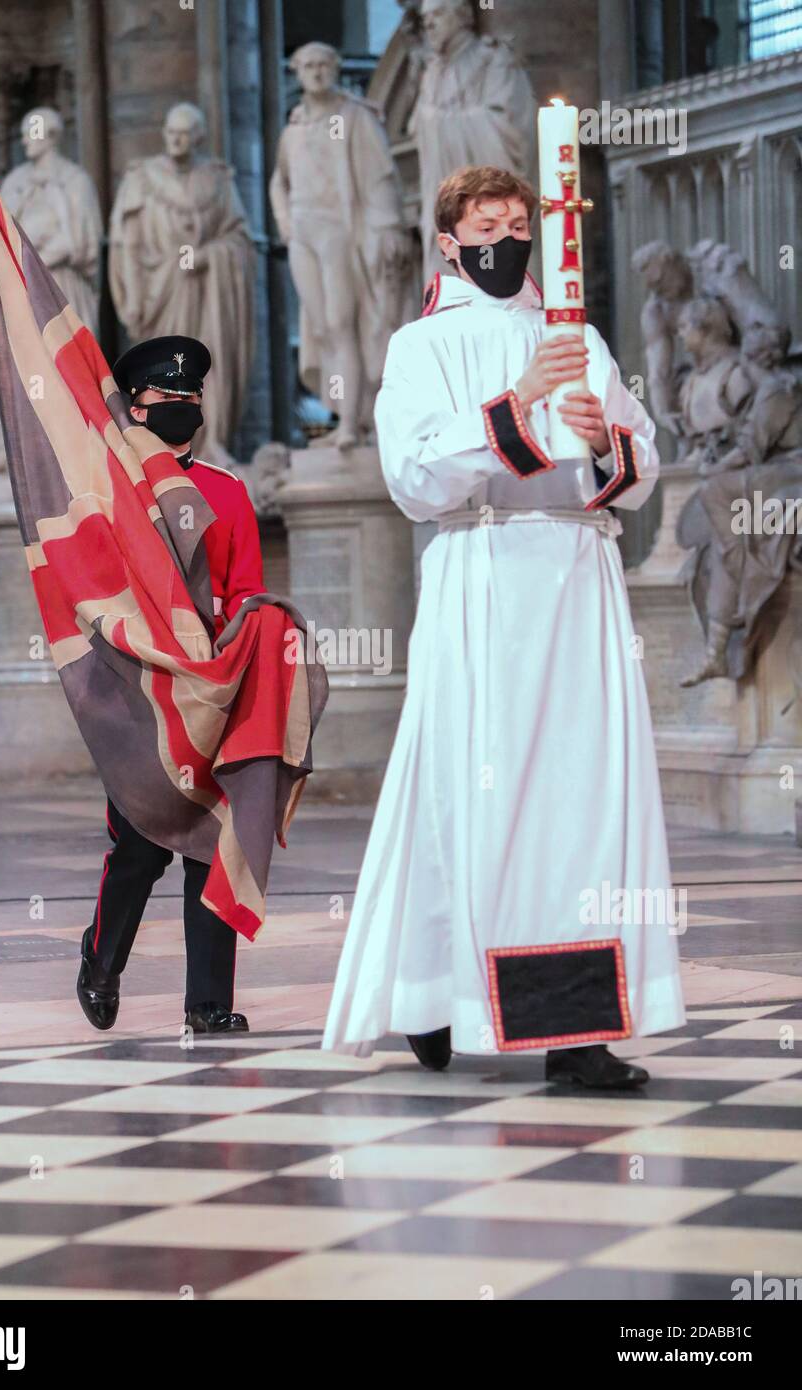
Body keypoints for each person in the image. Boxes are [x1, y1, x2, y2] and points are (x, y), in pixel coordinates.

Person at [322, 165, 685, 1089]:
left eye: (521, 222)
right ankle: (436, 993)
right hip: (482, 575)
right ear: (450, 241)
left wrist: (608, 441)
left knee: (583, 802)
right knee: (466, 791)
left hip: (578, 579)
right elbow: (413, 479)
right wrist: (518, 400)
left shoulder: (581, 337)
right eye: (489, 224)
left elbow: (646, 466)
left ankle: (577, 1030)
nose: (508, 238)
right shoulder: (419, 346)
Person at [76, 335, 264, 1035]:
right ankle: (101, 957)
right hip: (139, 696)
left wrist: (241, 649)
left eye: (191, 400)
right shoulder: (107, 494)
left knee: (212, 840)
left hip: (210, 689)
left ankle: (208, 1003)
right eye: (167, 400)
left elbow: (247, 590)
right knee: (142, 846)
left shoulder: (227, 492)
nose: (183, 410)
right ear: (136, 408)